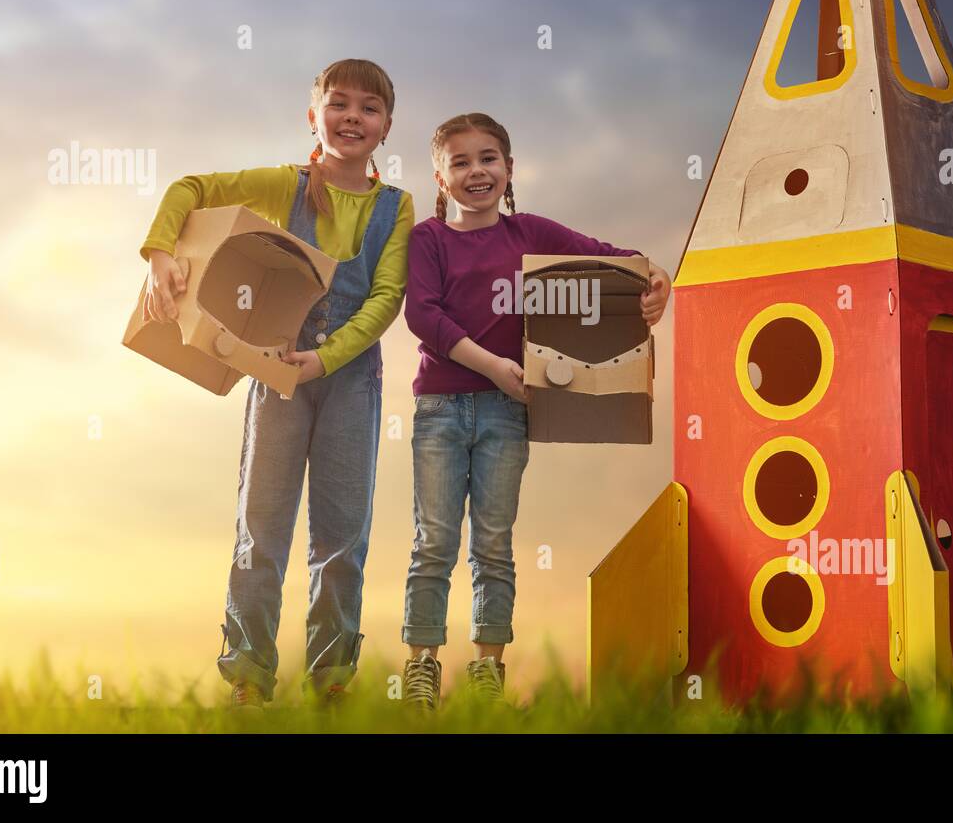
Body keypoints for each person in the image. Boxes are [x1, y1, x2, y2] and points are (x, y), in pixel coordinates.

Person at [138, 59, 414, 707]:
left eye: (368, 108)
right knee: (261, 526)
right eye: (338, 103)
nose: (352, 117)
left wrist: (325, 360)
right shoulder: (281, 185)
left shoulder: (396, 209)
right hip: (273, 373)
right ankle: (249, 676)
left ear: (386, 127)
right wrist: (158, 257)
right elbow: (190, 187)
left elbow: (385, 299)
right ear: (312, 115)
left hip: (350, 381)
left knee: (343, 534)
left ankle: (332, 678)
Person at [400, 111, 669, 708]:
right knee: (435, 539)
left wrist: (657, 275)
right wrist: (493, 365)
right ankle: (422, 664)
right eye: (461, 162)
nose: (477, 171)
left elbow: (611, 261)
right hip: (441, 407)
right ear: (440, 178)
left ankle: (487, 668)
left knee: (494, 541)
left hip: (509, 413)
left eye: (488, 158)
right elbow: (423, 315)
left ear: (509, 168)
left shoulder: (531, 235)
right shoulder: (428, 240)